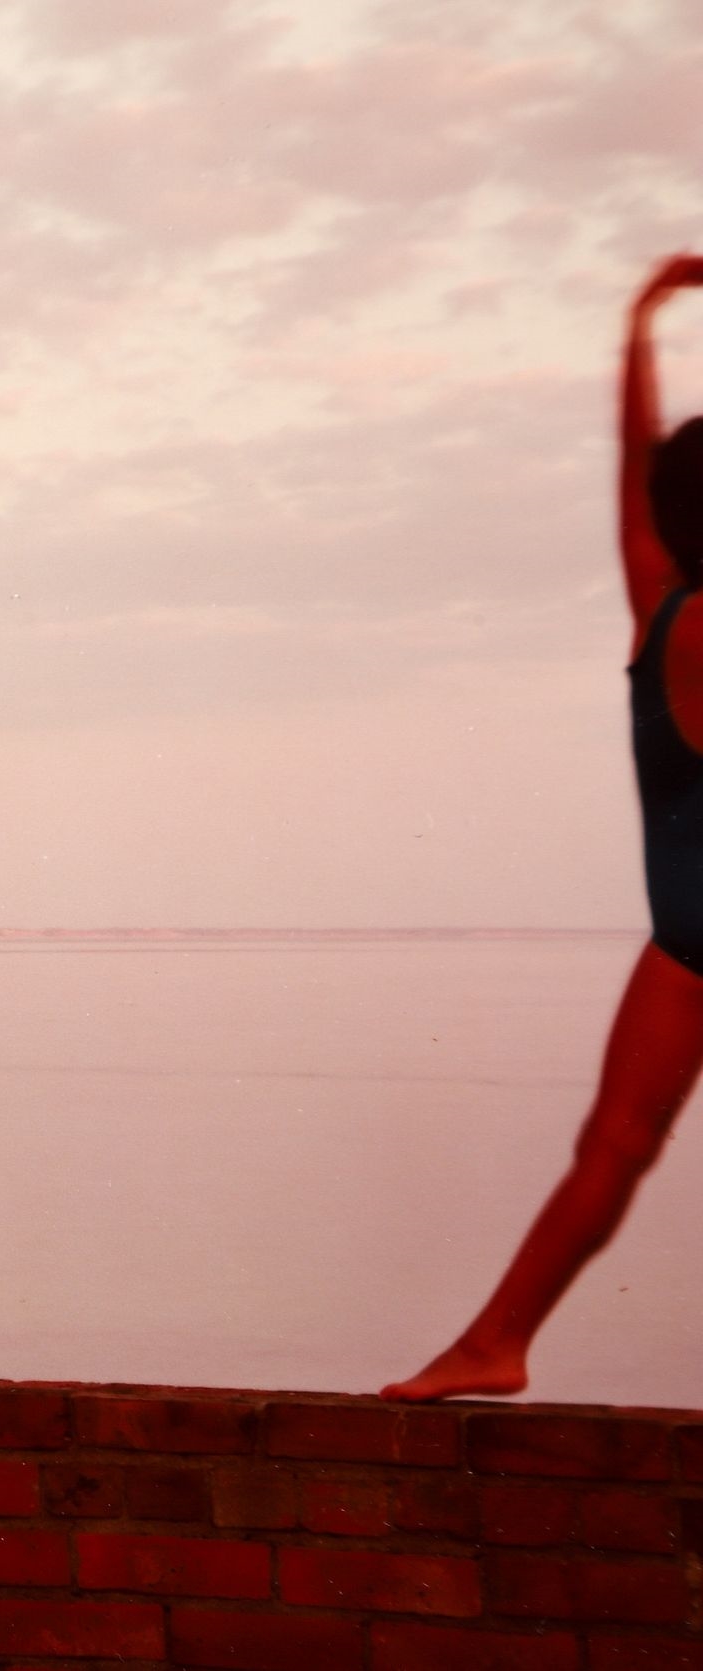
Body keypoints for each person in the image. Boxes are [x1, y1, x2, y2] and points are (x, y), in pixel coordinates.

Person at [383, 254, 703, 1402]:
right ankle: (491, 1344)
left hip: (683, 940)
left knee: (611, 1152)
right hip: (686, 945)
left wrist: (639, 322)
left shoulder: (651, 602)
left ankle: (496, 1341)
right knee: (611, 1149)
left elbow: (632, 469)